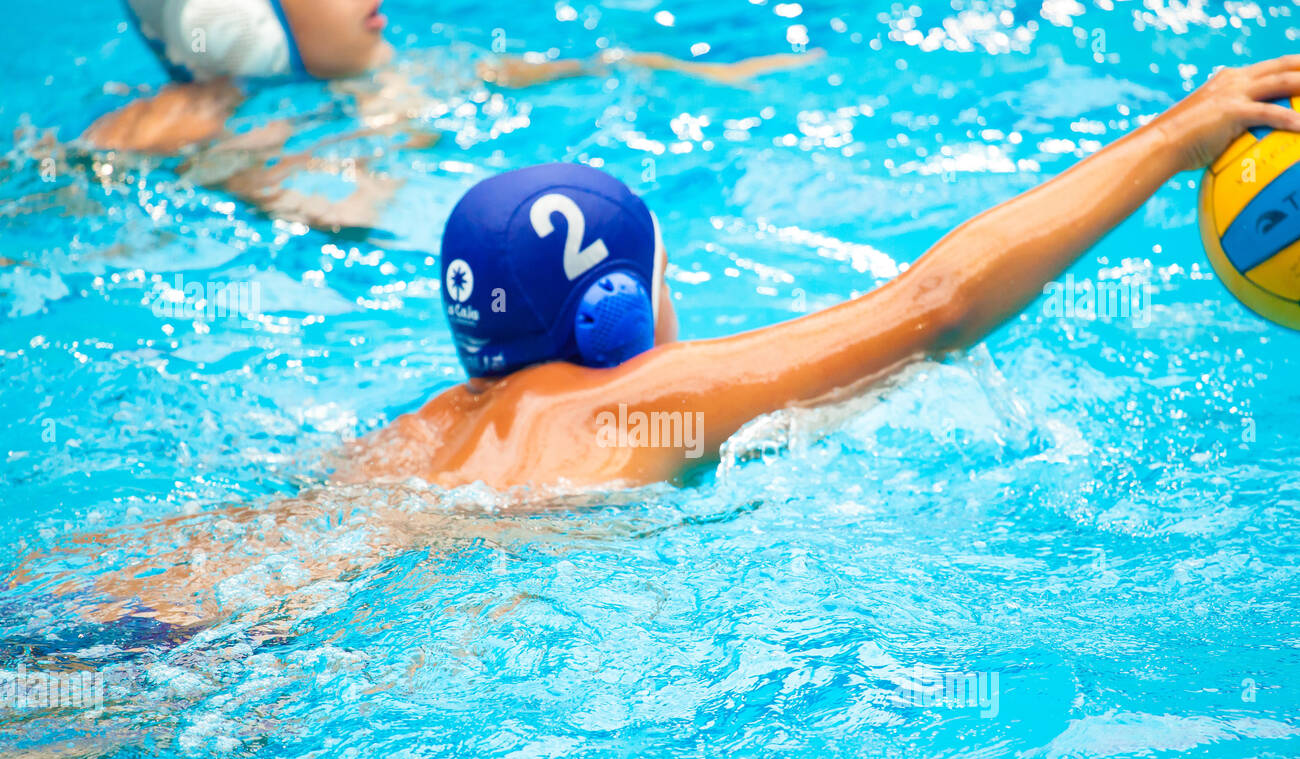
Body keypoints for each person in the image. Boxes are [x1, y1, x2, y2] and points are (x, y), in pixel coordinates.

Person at [342, 56, 1300, 492]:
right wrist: (1177, 137)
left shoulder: (421, 431)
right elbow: (940, 307)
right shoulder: (627, 402)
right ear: (617, 311)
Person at [77, 0, 820, 231]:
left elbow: (586, 70)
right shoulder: (170, 123)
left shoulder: (423, 72)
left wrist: (712, 75)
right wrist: (229, 169)